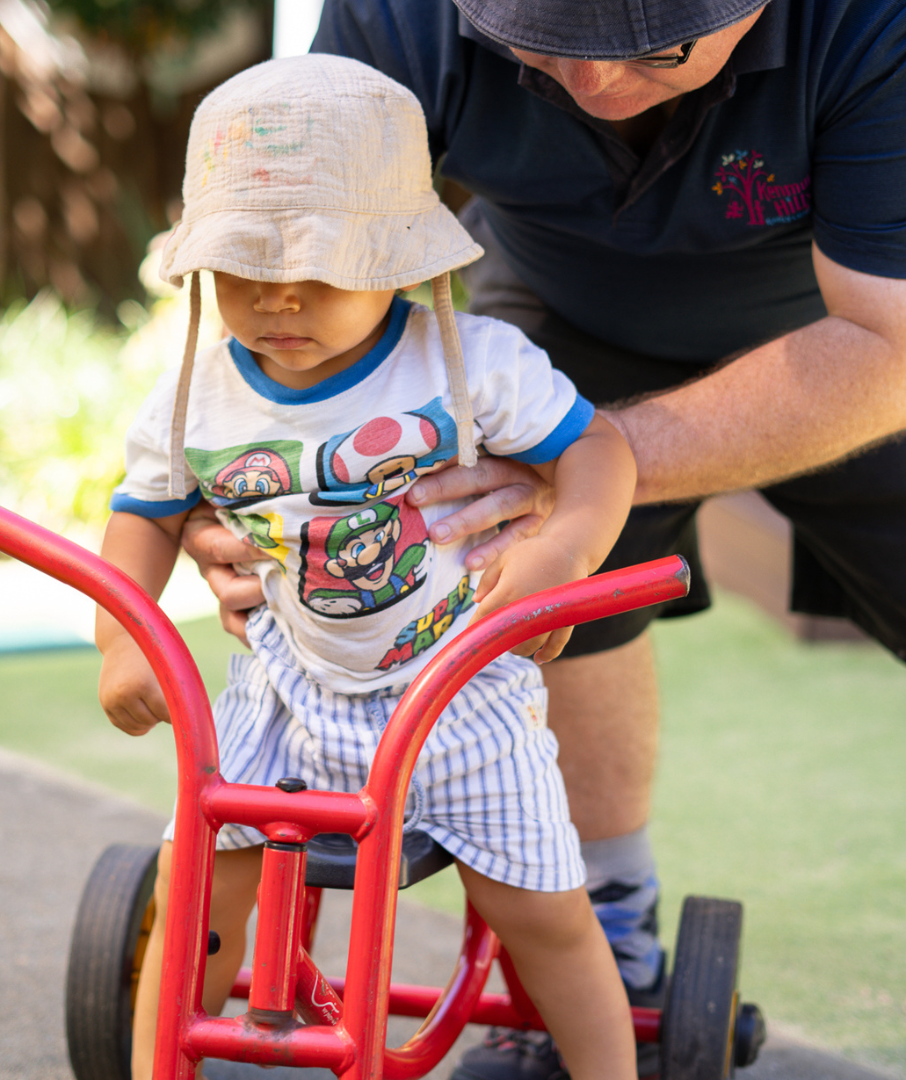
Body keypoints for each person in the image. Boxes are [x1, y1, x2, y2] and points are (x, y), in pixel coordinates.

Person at [177, 1, 906, 1078]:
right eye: (545, 50)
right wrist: (237, 489)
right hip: (557, 317)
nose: (598, 87)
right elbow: (270, 236)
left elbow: (889, 344)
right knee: (482, 558)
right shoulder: (401, 14)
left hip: (845, 337)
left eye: (657, 51)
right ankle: (604, 934)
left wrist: (590, 466)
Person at [97, 54, 641, 1080]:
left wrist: (567, 549)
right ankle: (158, 1062)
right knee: (195, 886)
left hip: (457, 682)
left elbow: (597, 448)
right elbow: (145, 512)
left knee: (544, 912)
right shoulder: (196, 392)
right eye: (245, 269)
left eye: (318, 266)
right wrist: (125, 634)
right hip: (291, 681)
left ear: (401, 261)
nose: (278, 296)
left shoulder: (464, 362)